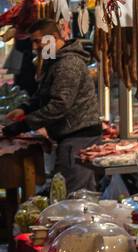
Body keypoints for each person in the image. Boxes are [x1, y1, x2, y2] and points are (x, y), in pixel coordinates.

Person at [2, 18, 102, 193]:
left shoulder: (67, 64)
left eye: (37, 41)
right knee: (74, 194)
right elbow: (44, 94)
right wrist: (24, 108)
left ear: (53, 37)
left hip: (78, 138)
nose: (34, 47)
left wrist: (24, 125)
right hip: (72, 137)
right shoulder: (54, 62)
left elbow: (59, 105)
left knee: (72, 196)